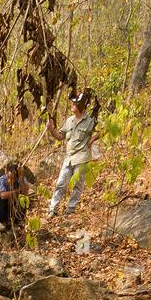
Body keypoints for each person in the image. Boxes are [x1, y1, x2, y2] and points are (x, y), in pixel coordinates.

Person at [46, 88, 98, 217]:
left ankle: (70, 210)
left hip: (82, 157)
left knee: (77, 185)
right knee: (61, 183)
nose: (72, 106)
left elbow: (103, 129)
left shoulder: (90, 119)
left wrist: (92, 139)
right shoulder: (69, 120)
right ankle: (53, 209)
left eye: (74, 104)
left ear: (80, 106)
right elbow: (60, 136)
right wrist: (51, 129)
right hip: (69, 157)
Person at [0, 161, 30, 236]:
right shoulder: (2, 179)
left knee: (24, 198)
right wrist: (18, 191)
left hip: (16, 206)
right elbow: (2, 195)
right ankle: (2, 222)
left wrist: (21, 178)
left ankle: (18, 222)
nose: (12, 179)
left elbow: (25, 193)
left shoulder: (21, 178)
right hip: (5, 206)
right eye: (9, 175)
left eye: (14, 177)